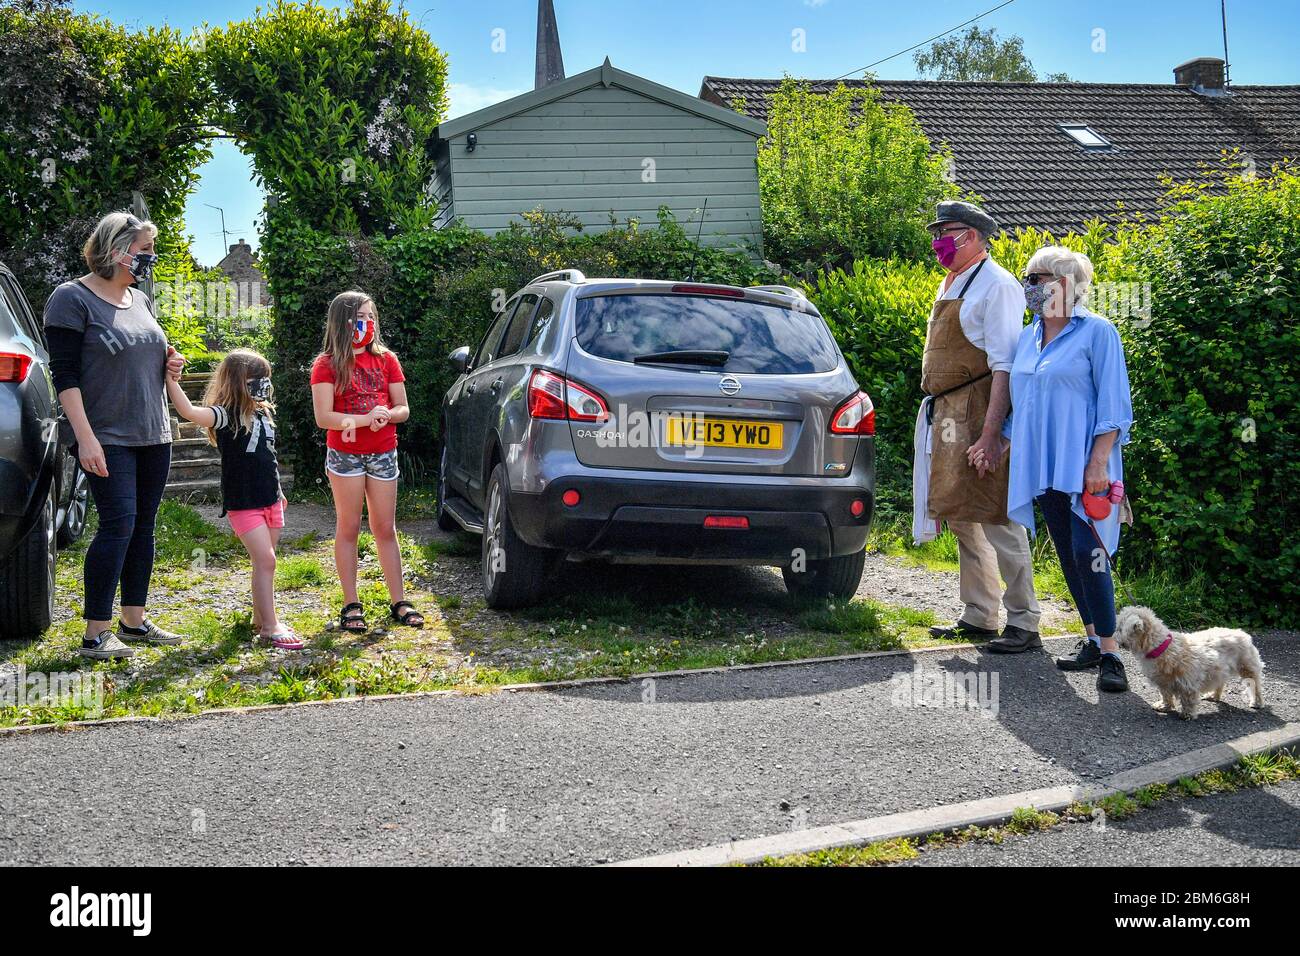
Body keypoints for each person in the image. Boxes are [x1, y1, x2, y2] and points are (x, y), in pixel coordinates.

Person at [44, 210, 183, 659]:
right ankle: (94, 633)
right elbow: (64, 376)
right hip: (106, 435)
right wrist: (84, 438)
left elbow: (146, 361)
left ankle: (134, 621)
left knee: (143, 527)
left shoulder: (140, 302)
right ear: (117, 251)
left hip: (153, 432)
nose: (151, 258)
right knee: (118, 524)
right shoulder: (71, 298)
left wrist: (170, 369)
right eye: (145, 250)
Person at [1002, 246, 1134, 692]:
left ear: (1063, 284)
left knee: (1088, 551)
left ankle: (1113, 655)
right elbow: (1022, 405)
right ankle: (1093, 639)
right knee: (1065, 551)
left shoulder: (1098, 332)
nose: (1028, 285)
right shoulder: (1026, 337)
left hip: (1085, 463)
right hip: (1042, 464)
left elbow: (1115, 406)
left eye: (1035, 277)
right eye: (1027, 278)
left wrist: (1098, 462)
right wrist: (997, 444)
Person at [912, 201, 1042, 652]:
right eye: (938, 232)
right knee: (961, 513)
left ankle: (1025, 620)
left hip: (982, 408)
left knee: (997, 515)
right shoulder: (951, 280)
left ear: (975, 236)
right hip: (948, 411)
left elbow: (1005, 367)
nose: (939, 241)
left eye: (948, 232)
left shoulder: (999, 286)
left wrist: (992, 434)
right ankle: (980, 614)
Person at [165, 349, 301, 649]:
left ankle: (260, 617)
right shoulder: (224, 415)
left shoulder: (264, 412)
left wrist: (279, 492)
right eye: (257, 379)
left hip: (271, 499)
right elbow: (189, 412)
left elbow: (269, 457)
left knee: (265, 563)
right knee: (266, 559)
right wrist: (171, 379)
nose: (263, 384)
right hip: (243, 503)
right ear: (239, 381)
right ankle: (270, 625)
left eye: (266, 378)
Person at [310, 291, 424, 633]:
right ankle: (350, 603)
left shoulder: (387, 359)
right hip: (345, 455)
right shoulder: (326, 365)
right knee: (348, 527)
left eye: (371, 315)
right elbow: (324, 417)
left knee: (385, 528)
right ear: (342, 322)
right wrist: (363, 420)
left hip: (384, 451)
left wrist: (385, 414)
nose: (368, 323)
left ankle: (399, 601)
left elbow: (402, 408)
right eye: (361, 316)